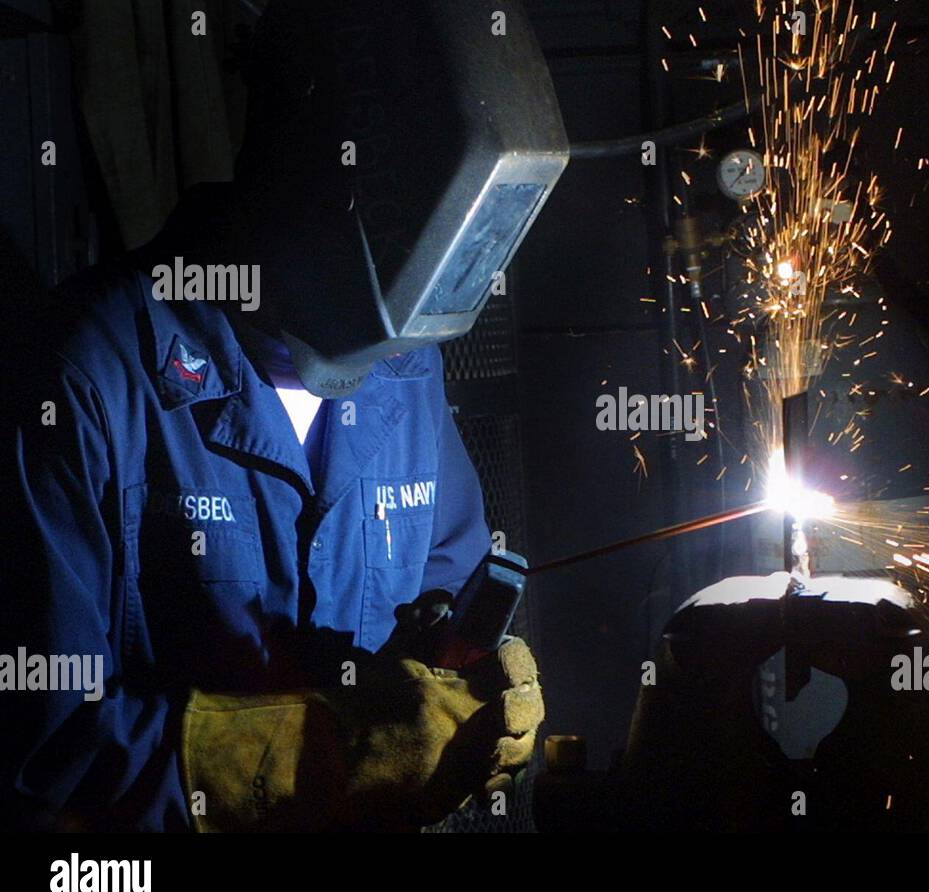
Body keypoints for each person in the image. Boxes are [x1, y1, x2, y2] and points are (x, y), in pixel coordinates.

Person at [0, 0, 564, 832]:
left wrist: (465, 681)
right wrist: (319, 753)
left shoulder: (406, 364)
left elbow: (453, 577)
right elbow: (43, 751)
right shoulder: (90, 370)